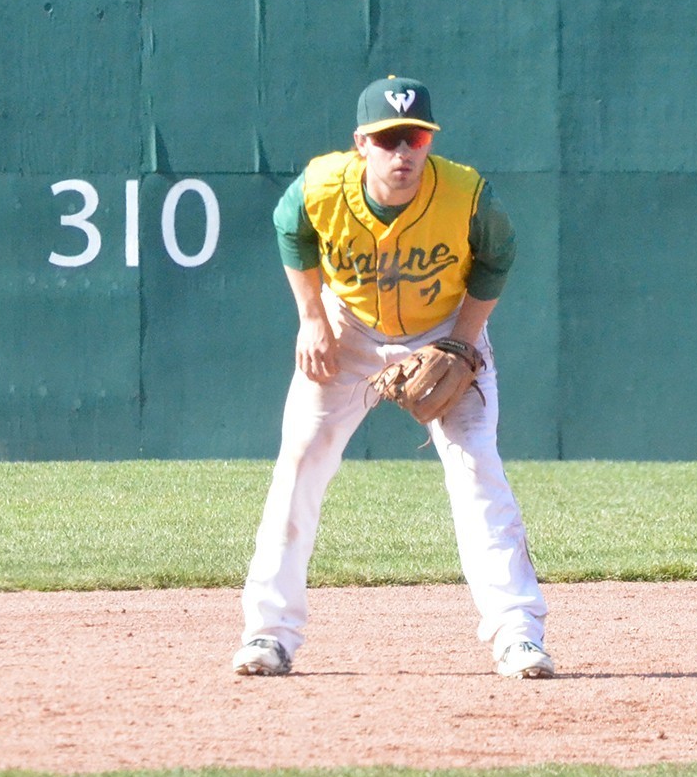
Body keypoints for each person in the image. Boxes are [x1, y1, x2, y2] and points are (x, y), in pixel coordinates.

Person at [231, 76, 553, 679]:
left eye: (413, 138)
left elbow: (497, 257)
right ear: (361, 143)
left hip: (444, 334)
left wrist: (461, 342)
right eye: (387, 139)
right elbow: (289, 229)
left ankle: (517, 634)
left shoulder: (466, 194)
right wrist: (310, 319)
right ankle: (268, 634)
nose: (402, 152)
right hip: (348, 331)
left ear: (429, 140)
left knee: (476, 467)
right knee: (300, 463)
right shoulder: (323, 185)